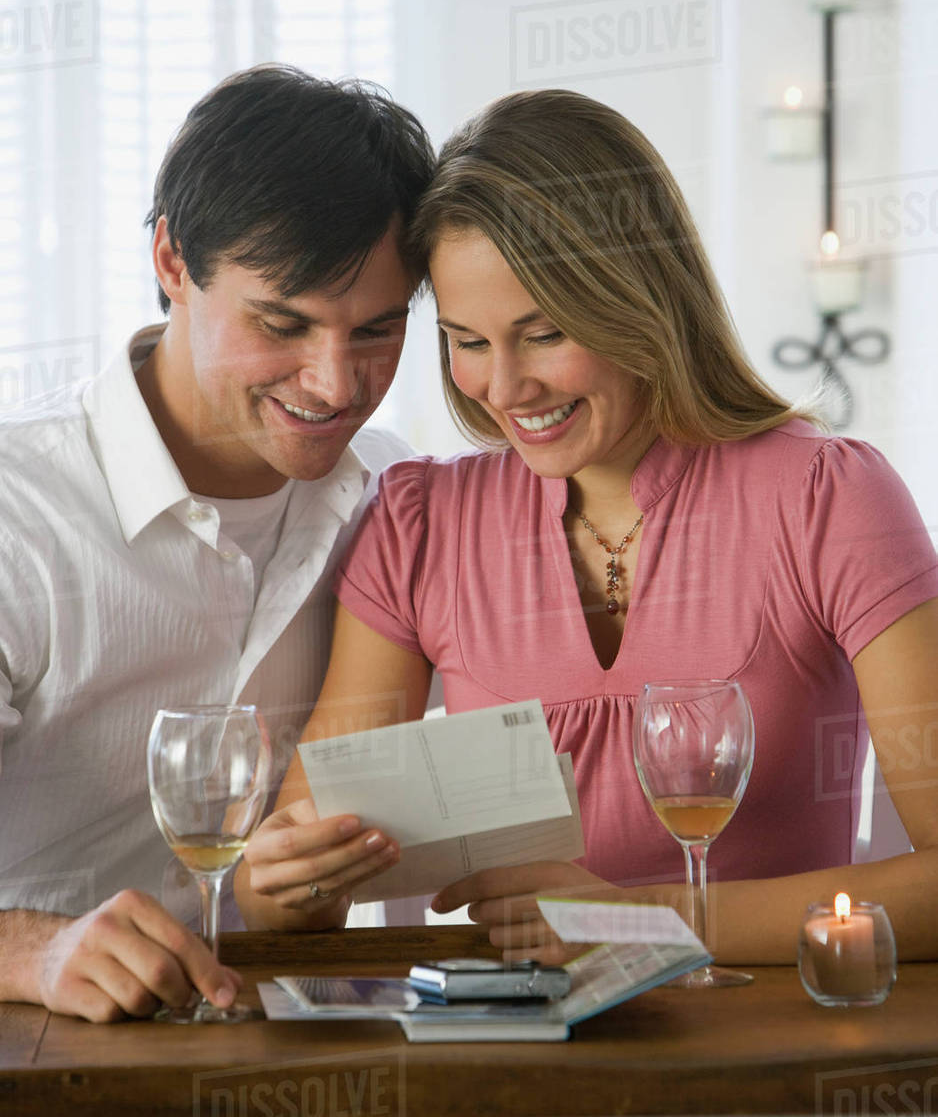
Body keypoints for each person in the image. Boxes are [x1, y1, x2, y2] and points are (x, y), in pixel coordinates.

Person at [238, 89, 938, 965]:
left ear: (640, 300)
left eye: (544, 333)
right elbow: (296, 891)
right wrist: (275, 884)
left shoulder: (829, 499)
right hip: (493, 1064)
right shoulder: (419, 526)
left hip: (764, 1060)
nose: (503, 388)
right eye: (468, 340)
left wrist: (644, 922)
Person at [0, 64, 435, 1021]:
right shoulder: (16, 514)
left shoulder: (393, 497)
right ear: (171, 262)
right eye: (283, 324)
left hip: (278, 1051)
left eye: (377, 330)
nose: (333, 386)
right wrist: (35, 953)